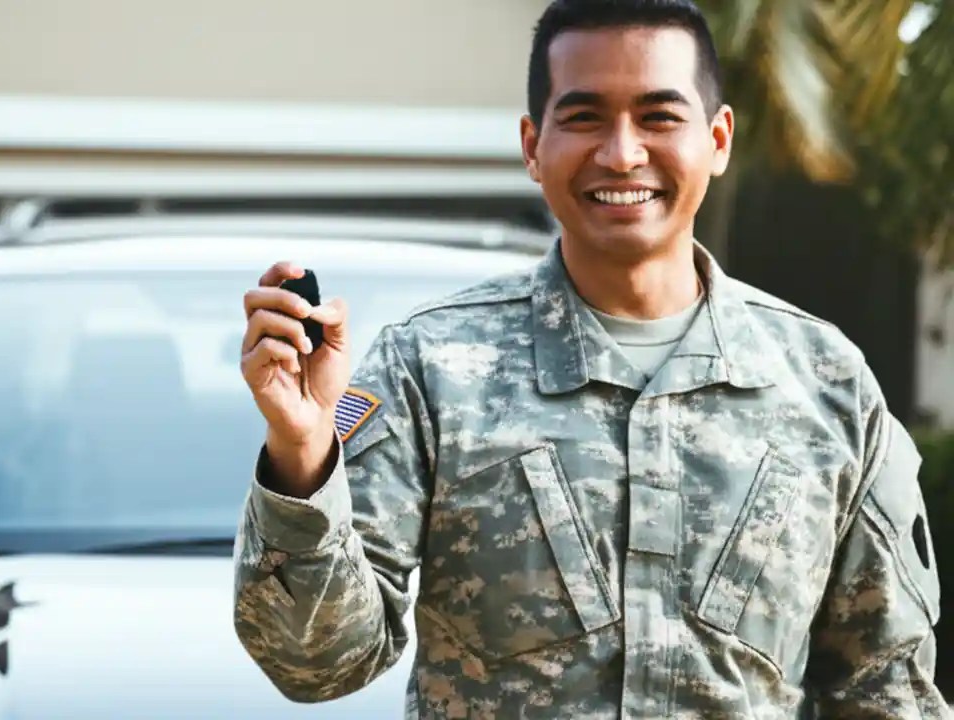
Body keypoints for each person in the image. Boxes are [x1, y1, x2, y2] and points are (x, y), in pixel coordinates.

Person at [232, 0, 949, 716]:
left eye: (660, 116)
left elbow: (886, 690)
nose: (622, 153)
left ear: (718, 138)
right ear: (532, 146)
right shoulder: (432, 367)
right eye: (584, 117)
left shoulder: (826, 383)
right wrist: (301, 455)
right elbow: (317, 664)